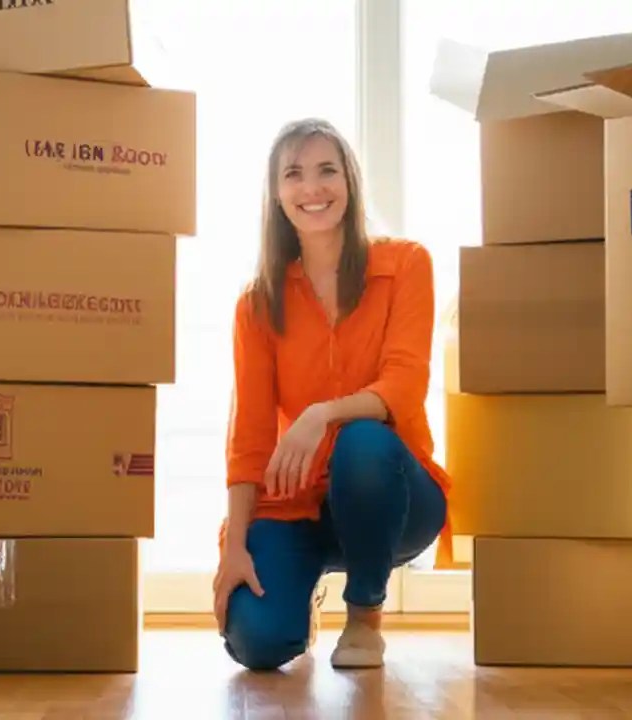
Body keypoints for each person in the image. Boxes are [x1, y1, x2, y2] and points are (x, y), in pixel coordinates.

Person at [213, 117, 452, 672]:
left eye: (327, 170)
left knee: (362, 443)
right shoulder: (257, 304)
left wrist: (323, 414)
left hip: (391, 495)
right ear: (276, 195)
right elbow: (247, 438)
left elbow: (403, 385)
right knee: (258, 644)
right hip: (295, 503)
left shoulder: (406, 264)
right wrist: (234, 549)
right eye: (294, 174)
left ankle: (365, 613)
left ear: (350, 180)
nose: (312, 188)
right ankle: (302, 594)